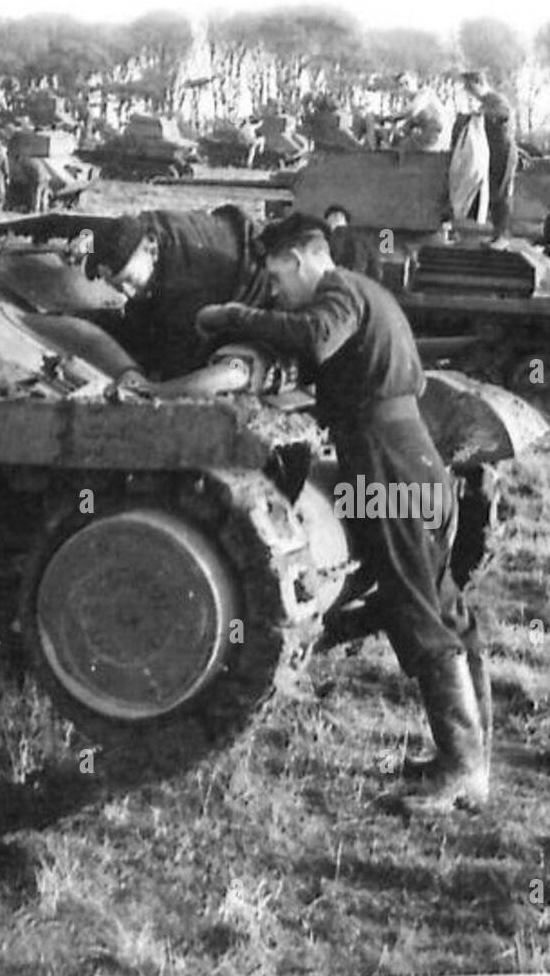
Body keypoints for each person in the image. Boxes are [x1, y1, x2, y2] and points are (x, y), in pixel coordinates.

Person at [194, 213, 492, 813]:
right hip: (413, 456)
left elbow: (313, 338)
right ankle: (473, 764)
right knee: (445, 605)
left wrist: (236, 318)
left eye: (275, 276)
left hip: (387, 462)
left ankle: (461, 770)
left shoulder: (338, 291)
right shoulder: (368, 290)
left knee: (417, 608)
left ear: (300, 260)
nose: (274, 290)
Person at [82, 206, 265, 380]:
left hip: (261, 293)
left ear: (151, 249)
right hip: (237, 240)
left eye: (129, 280)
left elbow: (178, 364)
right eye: (117, 285)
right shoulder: (150, 226)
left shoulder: (184, 287)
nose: (127, 293)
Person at [460, 70, 518, 245]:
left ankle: (503, 236)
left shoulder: (496, 100)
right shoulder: (486, 102)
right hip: (493, 152)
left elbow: (503, 114)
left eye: (470, 88)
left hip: (504, 152)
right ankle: (497, 234)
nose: (469, 92)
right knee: (493, 192)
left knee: (503, 192)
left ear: (479, 83)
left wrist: (482, 114)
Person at [323, 205, 384, 282]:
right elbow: (377, 270)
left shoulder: (326, 240)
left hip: (337, 284)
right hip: (361, 285)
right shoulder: (364, 237)